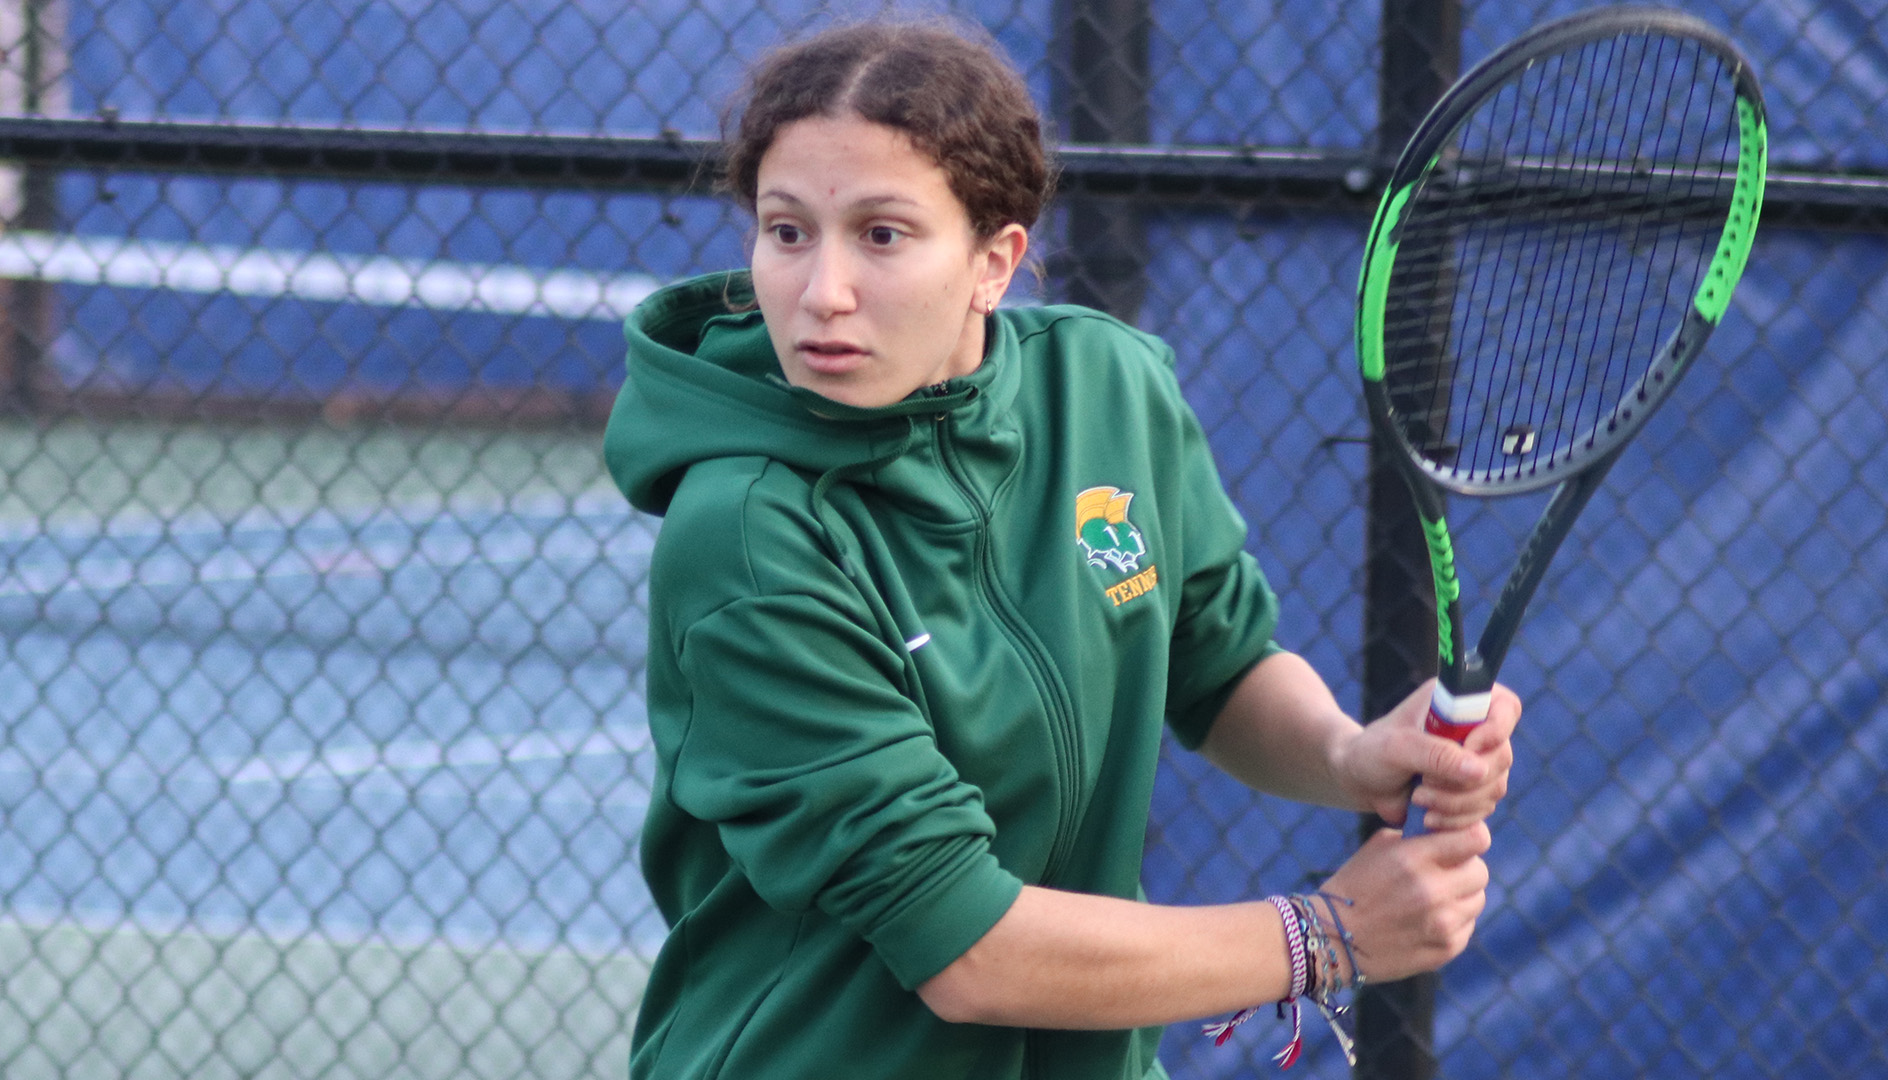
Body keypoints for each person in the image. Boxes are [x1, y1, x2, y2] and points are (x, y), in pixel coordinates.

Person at [601, 17, 1520, 1080]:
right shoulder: (747, 535)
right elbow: (966, 948)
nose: (823, 292)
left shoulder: (1107, 385)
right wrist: (1325, 936)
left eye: (882, 235)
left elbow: (1217, 665)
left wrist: (1347, 756)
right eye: (787, 231)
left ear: (994, 261)